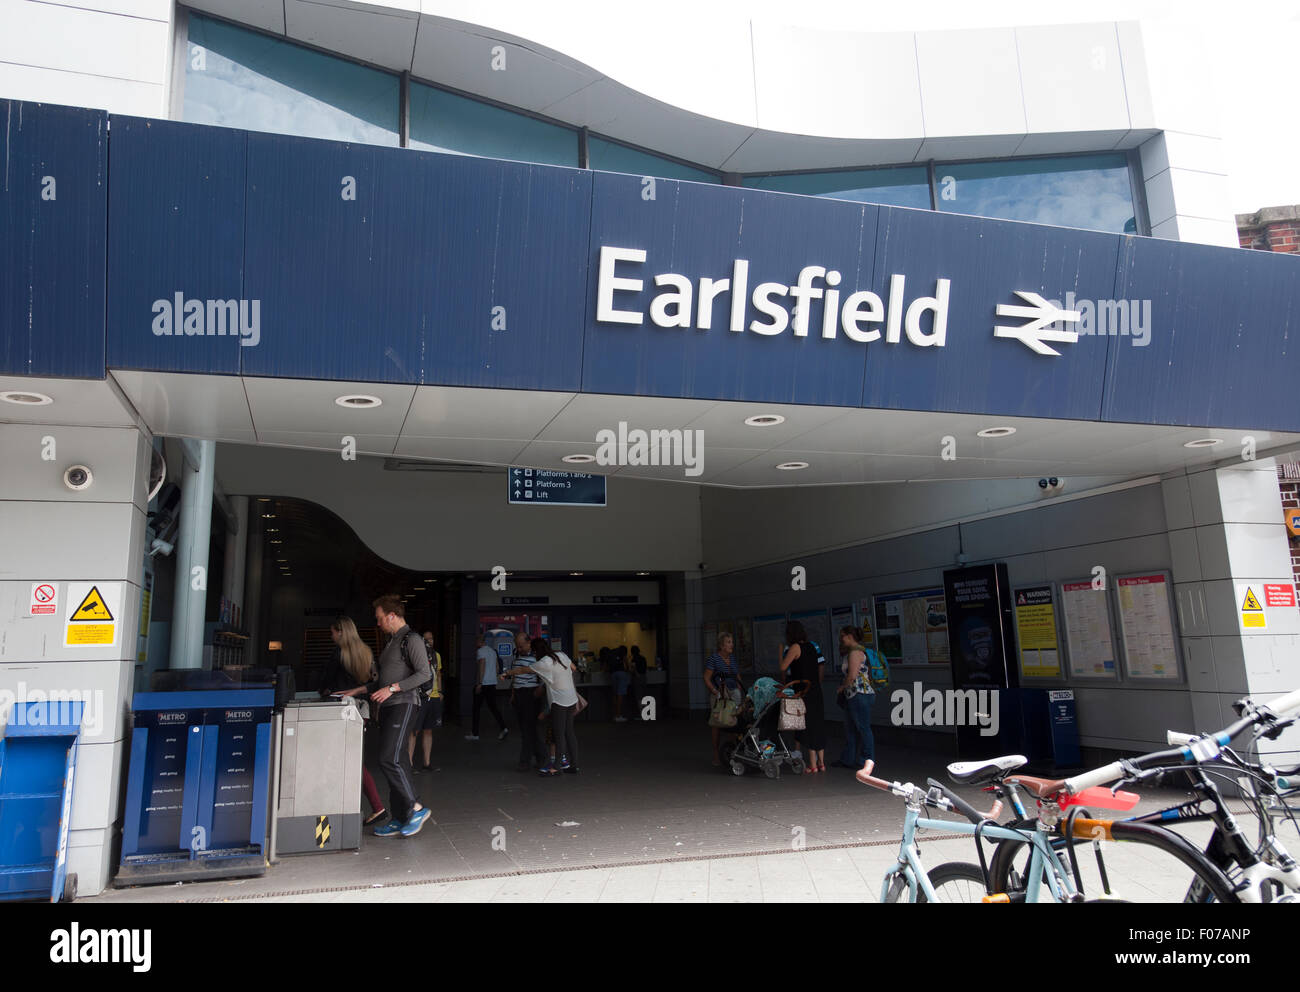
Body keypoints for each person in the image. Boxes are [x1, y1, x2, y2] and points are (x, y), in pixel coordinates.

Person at [338, 595, 432, 837]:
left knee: (388, 758)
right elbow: (381, 681)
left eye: (380, 618)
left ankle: (416, 808)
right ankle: (401, 817)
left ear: (392, 616)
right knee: (397, 760)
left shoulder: (412, 639)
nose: (377, 623)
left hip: (404, 704)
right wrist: (357, 691)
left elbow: (424, 674)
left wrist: (392, 689)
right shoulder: (392, 642)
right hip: (389, 708)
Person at [322, 616, 387, 826]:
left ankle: (374, 807)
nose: (331, 636)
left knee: (350, 761)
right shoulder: (365, 652)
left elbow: (326, 682)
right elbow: (373, 680)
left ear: (341, 632)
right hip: (362, 710)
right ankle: (369, 807)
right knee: (353, 759)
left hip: (341, 710)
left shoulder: (338, 653)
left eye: (333, 632)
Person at [502, 638, 579, 775]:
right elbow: (573, 668)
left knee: (559, 734)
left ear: (536, 651)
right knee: (569, 732)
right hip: (571, 698)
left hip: (559, 701)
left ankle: (556, 767)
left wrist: (507, 673)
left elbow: (522, 670)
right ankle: (574, 765)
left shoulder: (543, 662)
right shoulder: (561, 654)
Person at [779, 620, 826, 773]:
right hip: (815, 689)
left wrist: (781, 652)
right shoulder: (812, 646)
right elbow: (819, 666)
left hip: (802, 692)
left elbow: (783, 667)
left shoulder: (795, 647)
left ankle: (812, 765)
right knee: (818, 724)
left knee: (808, 724)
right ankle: (821, 763)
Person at [834, 625, 875, 770]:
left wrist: (842, 687)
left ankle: (867, 760)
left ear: (849, 636)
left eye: (842, 636)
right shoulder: (854, 651)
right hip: (855, 695)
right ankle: (848, 759)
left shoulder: (856, 652)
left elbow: (851, 676)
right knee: (851, 729)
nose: (841, 639)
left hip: (859, 694)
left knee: (863, 728)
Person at [507, 631, 547, 772]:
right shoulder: (515, 659)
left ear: (529, 643)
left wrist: (538, 692)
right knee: (528, 729)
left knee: (528, 729)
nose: (519, 649)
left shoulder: (537, 659)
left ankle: (525, 761)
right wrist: (513, 694)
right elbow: (514, 679)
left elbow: (544, 679)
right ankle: (541, 757)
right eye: (517, 646)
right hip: (519, 695)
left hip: (531, 694)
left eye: (521, 646)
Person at [705, 632, 744, 767]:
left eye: (732, 641)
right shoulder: (714, 659)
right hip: (720, 694)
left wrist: (740, 688)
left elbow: (737, 675)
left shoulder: (732, 658)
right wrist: (715, 691)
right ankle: (716, 755)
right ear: (721, 645)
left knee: (732, 721)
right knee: (717, 722)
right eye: (728, 642)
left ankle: (732, 752)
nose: (731, 644)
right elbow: (706, 677)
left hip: (734, 693)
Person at [408, 630, 442, 772]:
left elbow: (438, 674)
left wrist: (440, 692)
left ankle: (427, 763)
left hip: (434, 697)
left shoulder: (437, 656)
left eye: (431, 639)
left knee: (428, 730)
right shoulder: (417, 655)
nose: (429, 641)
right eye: (426, 639)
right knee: (414, 731)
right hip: (420, 697)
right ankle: (408, 764)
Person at [468, 634, 509, 742]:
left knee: (476, 709)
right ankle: (503, 727)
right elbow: (497, 667)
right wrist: (493, 678)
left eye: (476, 641)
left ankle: (475, 733)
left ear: (479, 641)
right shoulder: (492, 651)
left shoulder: (481, 651)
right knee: (493, 707)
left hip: (483, 684)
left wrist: (479, 683)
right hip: (492, 683)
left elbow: (482, 666)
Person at [611, 645, 630, 722]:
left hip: (613, 674)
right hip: (622, 674)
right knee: (620, 695)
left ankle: (615, 715)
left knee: (615, 695)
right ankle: (619, 715)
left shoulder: (613, 655)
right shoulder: (623, 654)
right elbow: (626, 666)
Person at [628, 645, 647, 721]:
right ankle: (645, 713)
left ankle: (642, 714)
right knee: (643, 695)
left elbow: (633, 669)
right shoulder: (643, 658)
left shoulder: (634, 659)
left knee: (638, 696)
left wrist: (635, 674)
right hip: (644, 677)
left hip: (637, 678)